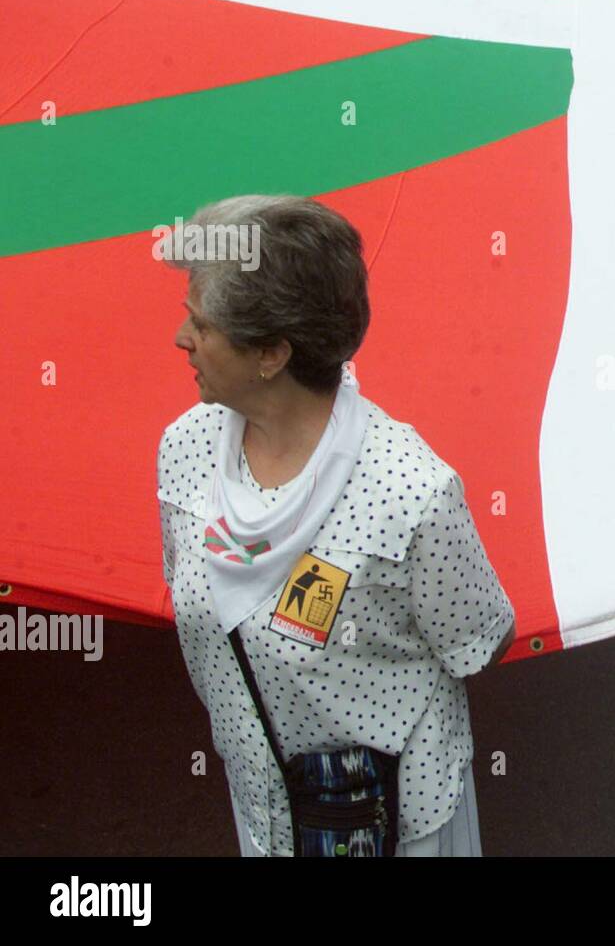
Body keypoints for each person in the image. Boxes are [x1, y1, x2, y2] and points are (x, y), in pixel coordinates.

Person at [157, 194, 515, 857]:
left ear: (271, 352)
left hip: (395, 822)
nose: (182, 339)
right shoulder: (184, 450)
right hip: (265, 809)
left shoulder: (411, 492)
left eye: (200, 324)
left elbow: (479, 640)